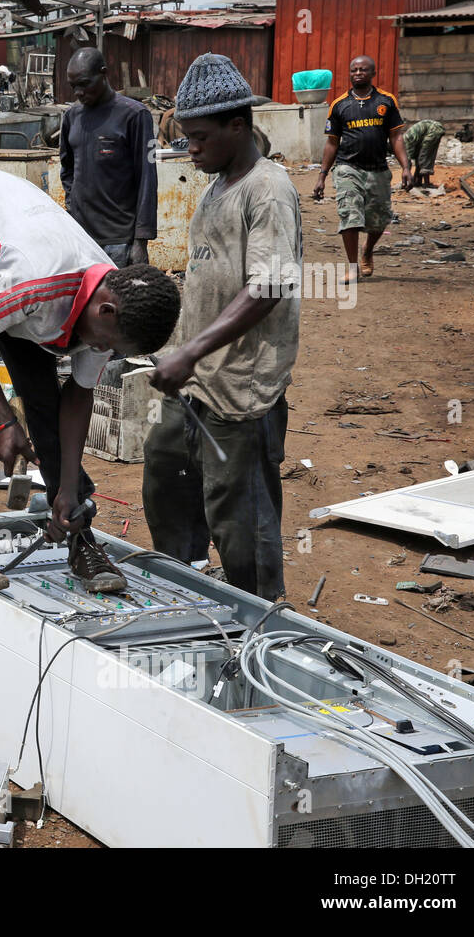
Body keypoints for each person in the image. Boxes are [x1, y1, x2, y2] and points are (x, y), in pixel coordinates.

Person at [0, 169, 181, 593]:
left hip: (8, 263)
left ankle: (78, 534)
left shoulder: (118, 302)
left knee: (43, 397)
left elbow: (76, 398)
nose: (105, 352)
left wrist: (68, 490)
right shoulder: (35, 284)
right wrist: (3, 420)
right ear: (103, 312)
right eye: (110, 345)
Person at [143, 54, 303, 602]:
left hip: (241, 391)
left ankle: (259, 620)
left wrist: (191, 353)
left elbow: (268, 286)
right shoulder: (216, 187)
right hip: (195, 382)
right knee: (168, 486)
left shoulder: (269, 189)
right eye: (186, 137)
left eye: (199, 137)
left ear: (239, 125)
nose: (190, 148)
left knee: (243, 525)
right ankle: (186, 595)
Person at [313, 55, 411, 280]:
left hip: (377, 169)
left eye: (363, 70)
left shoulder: (386, 101)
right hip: (348, 167)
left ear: (373, 73)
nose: (358, 73)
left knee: (380, 219)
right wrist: (322, 176)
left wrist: (406, 166)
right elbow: (331, 142)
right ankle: (353, 266)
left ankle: (367, 251)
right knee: (350, 215)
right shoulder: (339, 105)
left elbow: (396, 136)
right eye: (354, 70)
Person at [59, 47, 158, 267]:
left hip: (119, 242)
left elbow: (147, 180)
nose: (78, 92)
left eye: (84, 84)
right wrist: (73, 203)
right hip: (81, 239)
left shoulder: (135, 115)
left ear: (103, 74)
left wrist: (141, 240)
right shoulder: (72, 117)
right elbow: (67, 169)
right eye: (73, 86)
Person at [402, 119, 445, 188]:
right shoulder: (406, 140)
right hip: (432, 129)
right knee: (419, 157)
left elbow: (407, 163)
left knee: (424, 156)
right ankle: (418, 181)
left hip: (434, 130)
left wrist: (406, 180)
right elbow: (415, 157)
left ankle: (426, 184)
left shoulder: (405, 142)